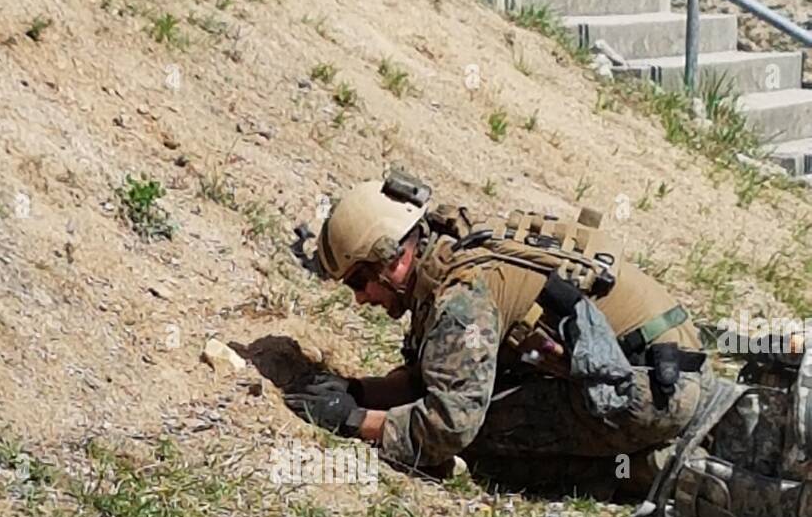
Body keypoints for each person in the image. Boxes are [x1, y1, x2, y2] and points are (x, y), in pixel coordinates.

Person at [286, 172, 712, 497]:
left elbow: (450, 424)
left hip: (648, 391)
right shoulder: (454, 256)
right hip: (658, 373)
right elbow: (438, 375)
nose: (361, 299)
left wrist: (354, 421)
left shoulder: (461, 295)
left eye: (360, 282)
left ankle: (649, 470)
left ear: (393, 259)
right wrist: (358, 390)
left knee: (482, 441)